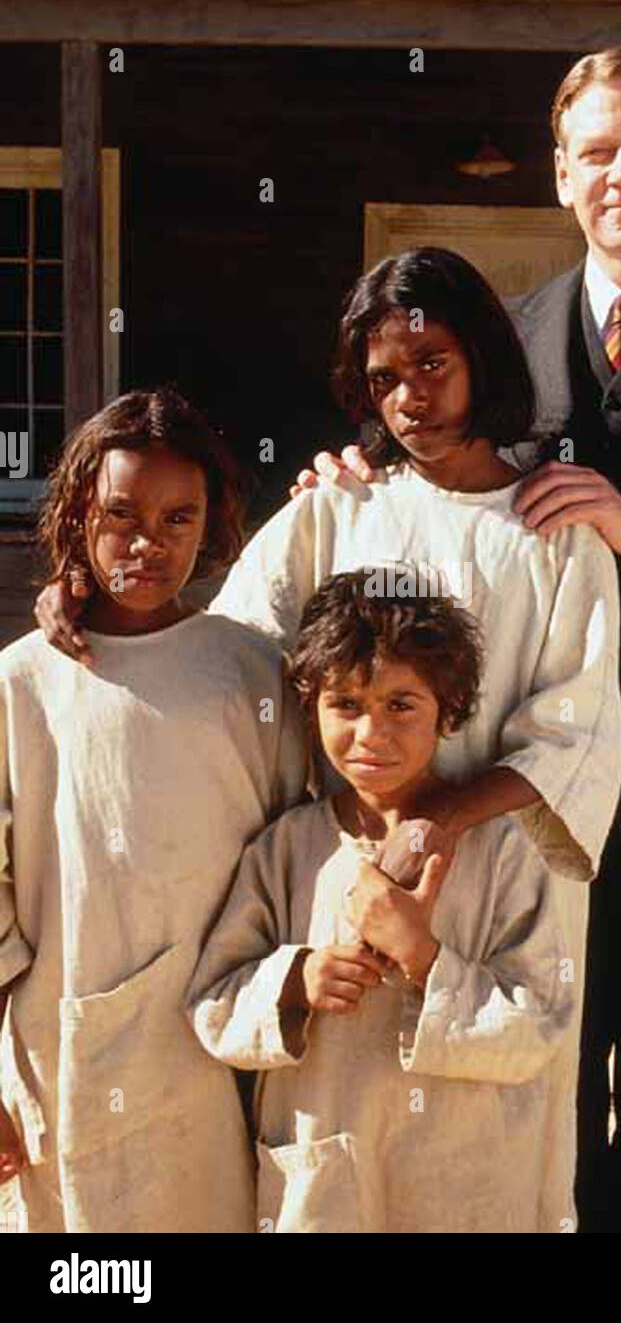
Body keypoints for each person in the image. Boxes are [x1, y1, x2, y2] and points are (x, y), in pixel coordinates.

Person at [282, 48, 621, 1232]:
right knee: (547, 1073)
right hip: (513, 786)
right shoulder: (508, 339)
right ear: (559, 175)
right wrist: (350, 476)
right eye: (595, 151)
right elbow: (428, 452)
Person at [34, 245, 621, 1226]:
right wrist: (86, 602)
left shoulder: (553, 529)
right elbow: (221, 648)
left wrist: (439, 821)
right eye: (384, 378)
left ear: (483, 353)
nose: (409, 398)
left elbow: (578, 726)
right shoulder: (341, 508)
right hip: (342, 866)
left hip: (501, 876)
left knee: (495, 1128)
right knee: (337, 1128)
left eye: (432, 362)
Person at [0, 389, 306, 1232]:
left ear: (212, 524)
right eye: (120, 514)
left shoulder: (251, 672)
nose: (146, 543)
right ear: (75, 516)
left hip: (225, 1052)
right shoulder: (24, 681)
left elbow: (295, 858)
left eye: (179, 518)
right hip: (66, 1054)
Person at [187, 572, 575, 1233]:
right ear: (310, 704)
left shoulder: (497, 852)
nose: (371, 734)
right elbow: (212, 1003)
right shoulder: (287, 850)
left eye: (401, 705)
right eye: (345, 703)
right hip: (327, 1179)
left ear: (448, 712)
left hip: (461, 1181)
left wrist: (422, 955)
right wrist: (293, 982)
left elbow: (540, 1024)